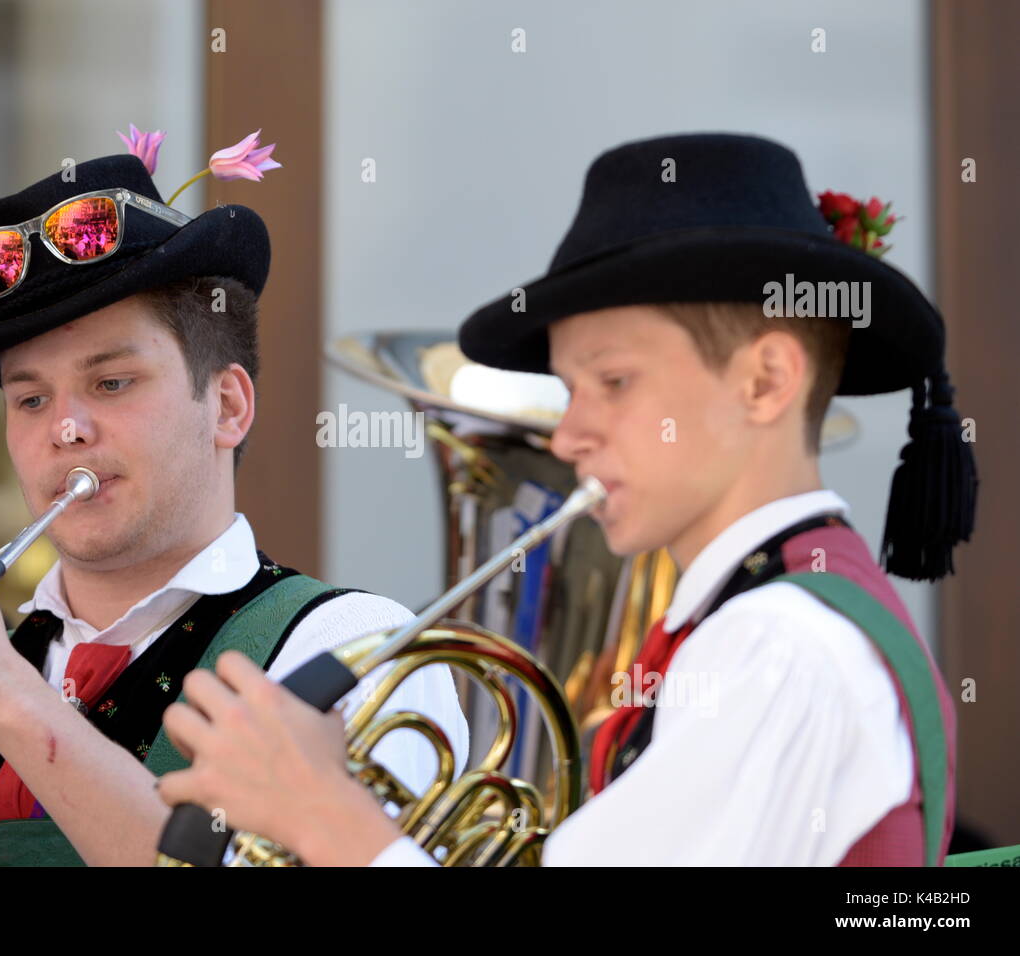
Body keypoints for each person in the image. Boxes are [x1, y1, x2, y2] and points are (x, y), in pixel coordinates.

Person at [156, 132, 977, 866]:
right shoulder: (772, 621)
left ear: (765, 381)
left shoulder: (776, 646)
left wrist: (329, 818)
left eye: (613, 381)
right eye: (568, 388)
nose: (567, 434)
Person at [0, 129, 468, 866]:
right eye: (31, 399)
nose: (66, 428)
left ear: (228, 407)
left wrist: (3, 693)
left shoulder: (352, 645)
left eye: (111, 383)